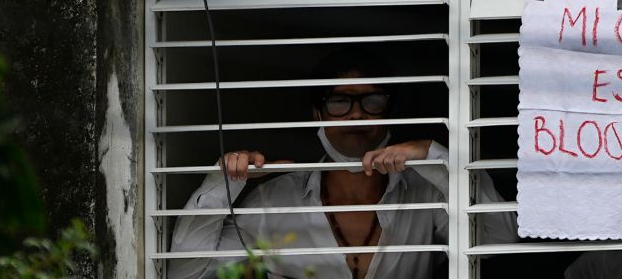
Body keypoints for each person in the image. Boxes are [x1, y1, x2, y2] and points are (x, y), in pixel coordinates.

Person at [166, 53, 515, 279]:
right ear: (316, 115)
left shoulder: (427, 192)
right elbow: (187, 270)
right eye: (339, 102)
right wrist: (224, 181)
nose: (357, 114)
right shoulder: (275, 201)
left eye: (371, 101)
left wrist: (434, 155)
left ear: (388, 111)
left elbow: (499, 237)